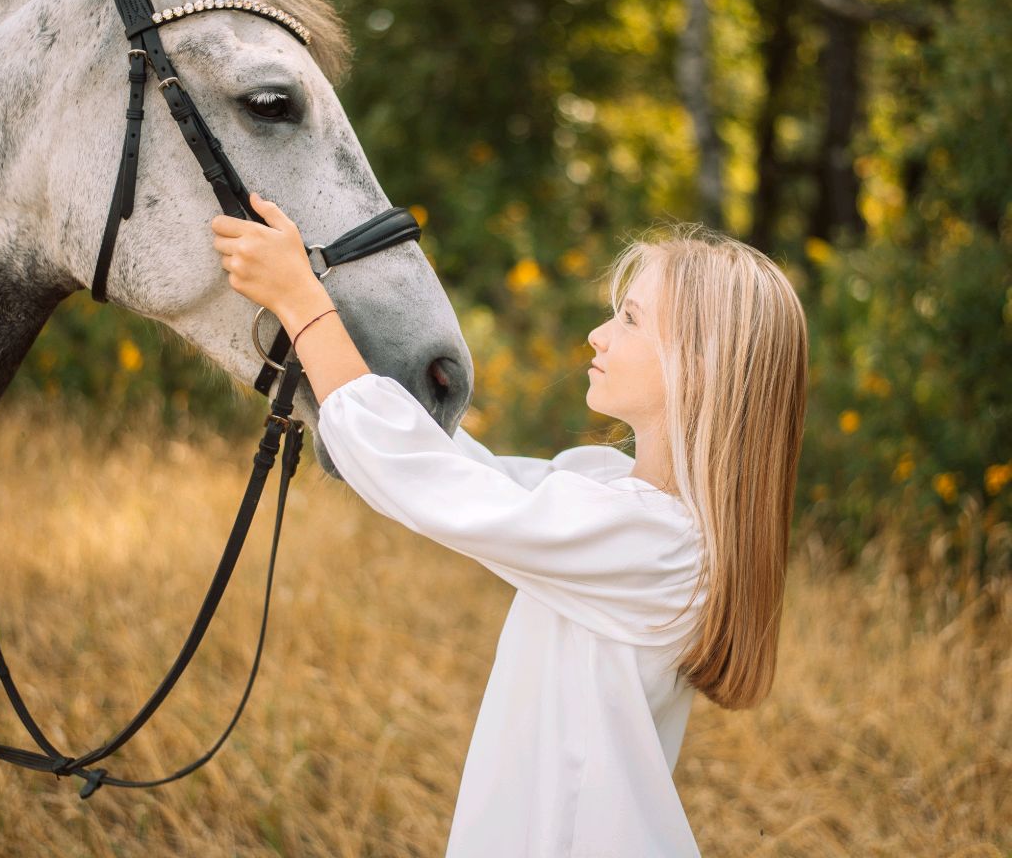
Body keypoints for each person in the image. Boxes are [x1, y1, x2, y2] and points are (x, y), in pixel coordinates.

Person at [211, 193, 809, 857]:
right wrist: (343, 349)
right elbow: (477, 473)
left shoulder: (651, 541)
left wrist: (303, 305)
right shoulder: (617, 491)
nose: (600, 335)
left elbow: (433, 485)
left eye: (632, 320)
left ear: (699, 366)